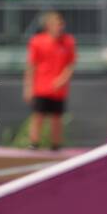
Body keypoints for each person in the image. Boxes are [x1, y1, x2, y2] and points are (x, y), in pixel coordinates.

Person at [23, 11, 75, 150]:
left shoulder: (68, 41)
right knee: (38, 116)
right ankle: (34, 143)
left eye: (61, 23)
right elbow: (31, 66)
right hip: (41, 87)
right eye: (57, 24)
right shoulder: (37, 41)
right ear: (48, 25)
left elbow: (70, 64)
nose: (60, 26)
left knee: (57, 118)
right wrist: (28, 87)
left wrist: (62, 79)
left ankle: (56, 145)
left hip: (59, 90)